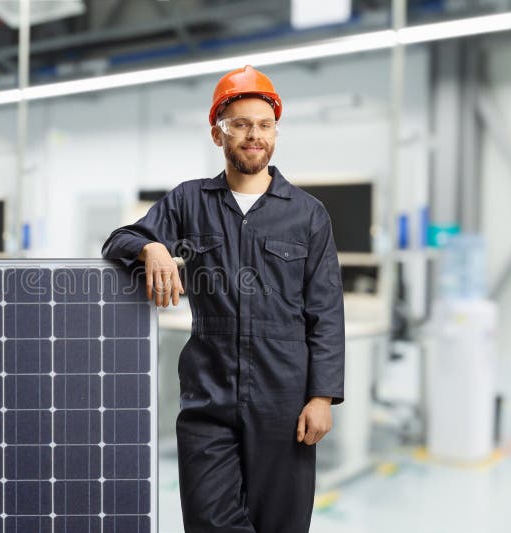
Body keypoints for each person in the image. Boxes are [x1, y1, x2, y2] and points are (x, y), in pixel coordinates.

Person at [101, 66, 345, 533]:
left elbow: (326, 311)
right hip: (209, 395)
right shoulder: (188, 201)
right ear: (219, 134)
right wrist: (151, 246)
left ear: (275, 132)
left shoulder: (308, 214)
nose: (254, 135)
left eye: (264, 124)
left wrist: (321, 397)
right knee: (209, 519)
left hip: (285, 398)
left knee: (281, 523)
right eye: (240, 124)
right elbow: (117, 240)